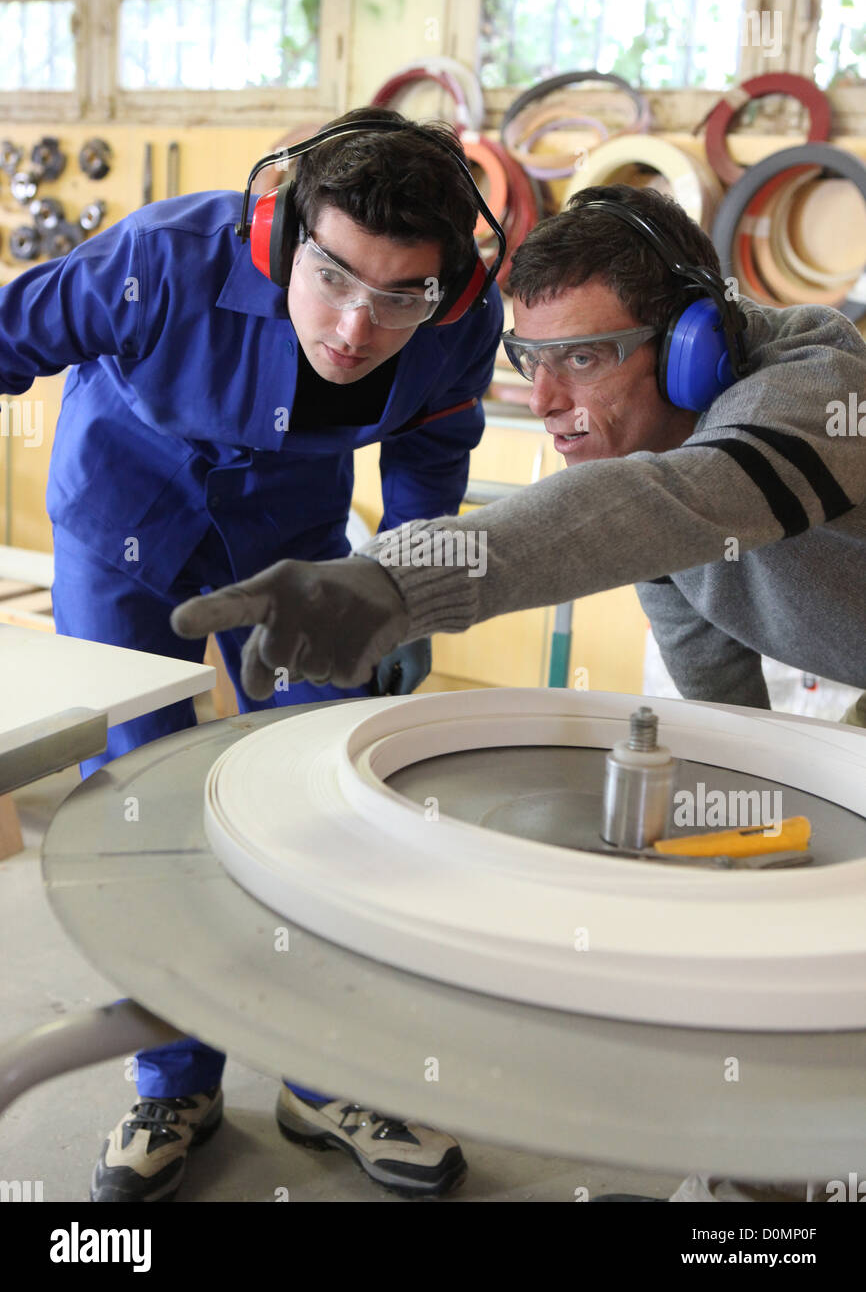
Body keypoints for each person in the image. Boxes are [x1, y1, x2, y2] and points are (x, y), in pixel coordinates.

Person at [171, 182, 866, 1204]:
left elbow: (668, 501)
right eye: (527, 359)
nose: (542, 403)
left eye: (581, 357)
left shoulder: (814, 391)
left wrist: (394, 582)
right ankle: (756, 1194)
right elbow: (728, 723)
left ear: (693, 347)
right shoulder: (649, 468)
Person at [0, 107, 504, 1202]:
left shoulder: (458, 322)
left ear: (449, 290)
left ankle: (326, 1078)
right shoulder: (158, 259)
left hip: (295, 548)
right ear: (280, 238)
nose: (356, 326)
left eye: (399, 296)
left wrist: (405, 589)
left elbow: (431, 449)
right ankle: (171, 1078)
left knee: (327, 803)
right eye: (332, 278)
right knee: (137, 808)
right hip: (121, 530)